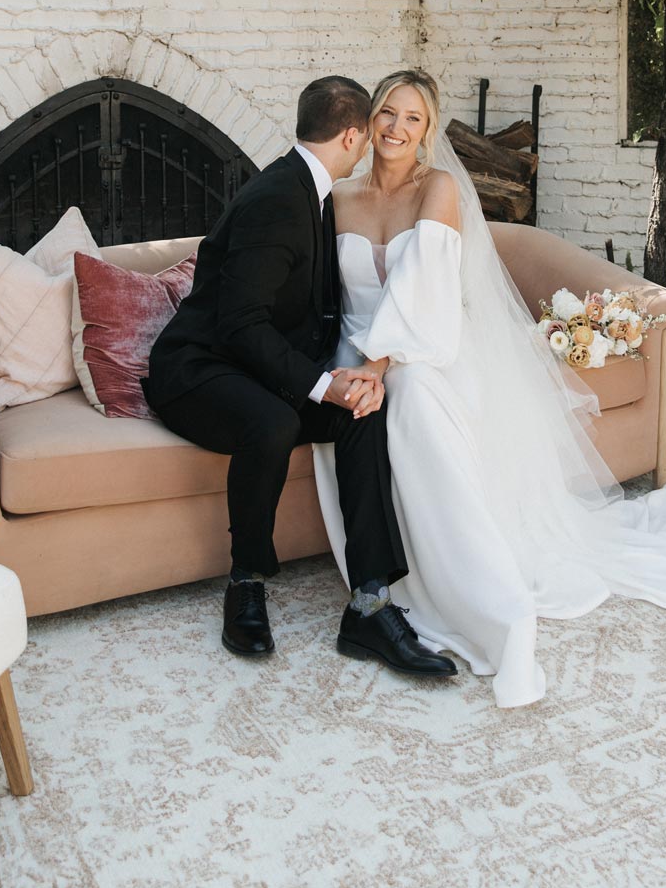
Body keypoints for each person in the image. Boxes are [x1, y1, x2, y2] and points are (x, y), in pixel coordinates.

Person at [316, 69, 666, 708]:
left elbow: (424, 291)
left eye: (412, 118)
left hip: (428, 349)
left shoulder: (436, 189)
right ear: (367, 119)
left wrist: (379, 368)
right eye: (387, 112)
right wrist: (344, 369)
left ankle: (495, 607)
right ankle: (403, 591)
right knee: (355, 411)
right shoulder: (340, 198)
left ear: (428, 130)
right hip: (357, 353)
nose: (396, 128)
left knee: (415, 405)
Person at [142, 74, 456, 679]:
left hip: (251, 363)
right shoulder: (278, 199)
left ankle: (369, 602)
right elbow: (238, 325)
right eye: (377, 124)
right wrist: (320, 382)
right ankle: (245, 581)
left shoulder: (317, 191)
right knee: (273, 420)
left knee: (363, 408)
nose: (384, 137)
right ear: (352, 134)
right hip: (196, 369)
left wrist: (355, 379)